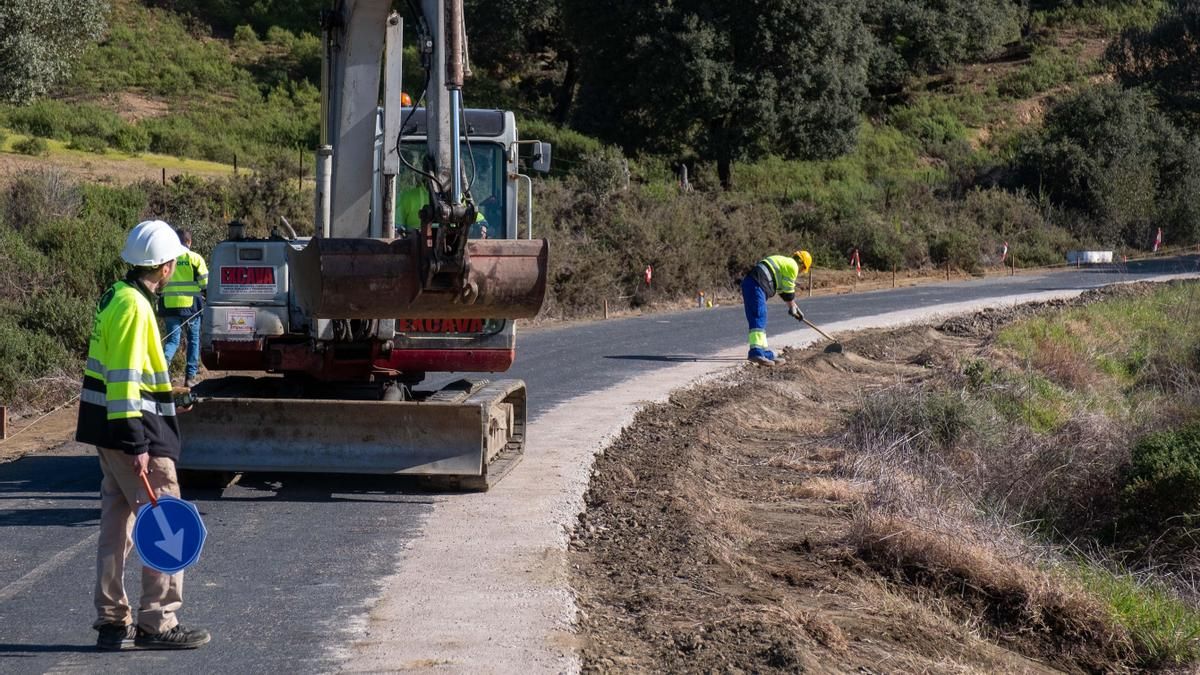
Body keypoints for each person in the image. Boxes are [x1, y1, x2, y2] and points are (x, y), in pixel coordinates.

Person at [76, 220, 211, 651]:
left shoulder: (115, 296)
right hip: (136, 438)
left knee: (116, 525)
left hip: (108, 431)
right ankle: (159, 620)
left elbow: (124, 373)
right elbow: (125, 380)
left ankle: (112, 620)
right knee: (166, 520)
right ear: (166, 267)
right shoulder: (136, 308)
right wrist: (138, 443)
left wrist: (168, 397)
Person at [742, 250, 813, 366]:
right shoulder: (793, 266)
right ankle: (756, 352)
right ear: (803, 265)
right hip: (756, 284)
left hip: (754, 283)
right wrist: (792, 306)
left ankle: (763, 352)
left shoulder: (785, 263)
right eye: (802, 270)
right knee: (759, 315)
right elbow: (788, 290)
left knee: (760, 317)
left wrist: (794, 307)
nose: (800, 272)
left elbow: (783, 291)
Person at [160, 229, 207, 388]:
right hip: (190, 307)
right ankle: (190, 378)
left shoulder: (166, 259)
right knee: (193, 340)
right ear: (189, 242)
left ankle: (162, 369)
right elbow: (205, 283)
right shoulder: (194, 258)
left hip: (169, 305)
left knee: (173, 341)